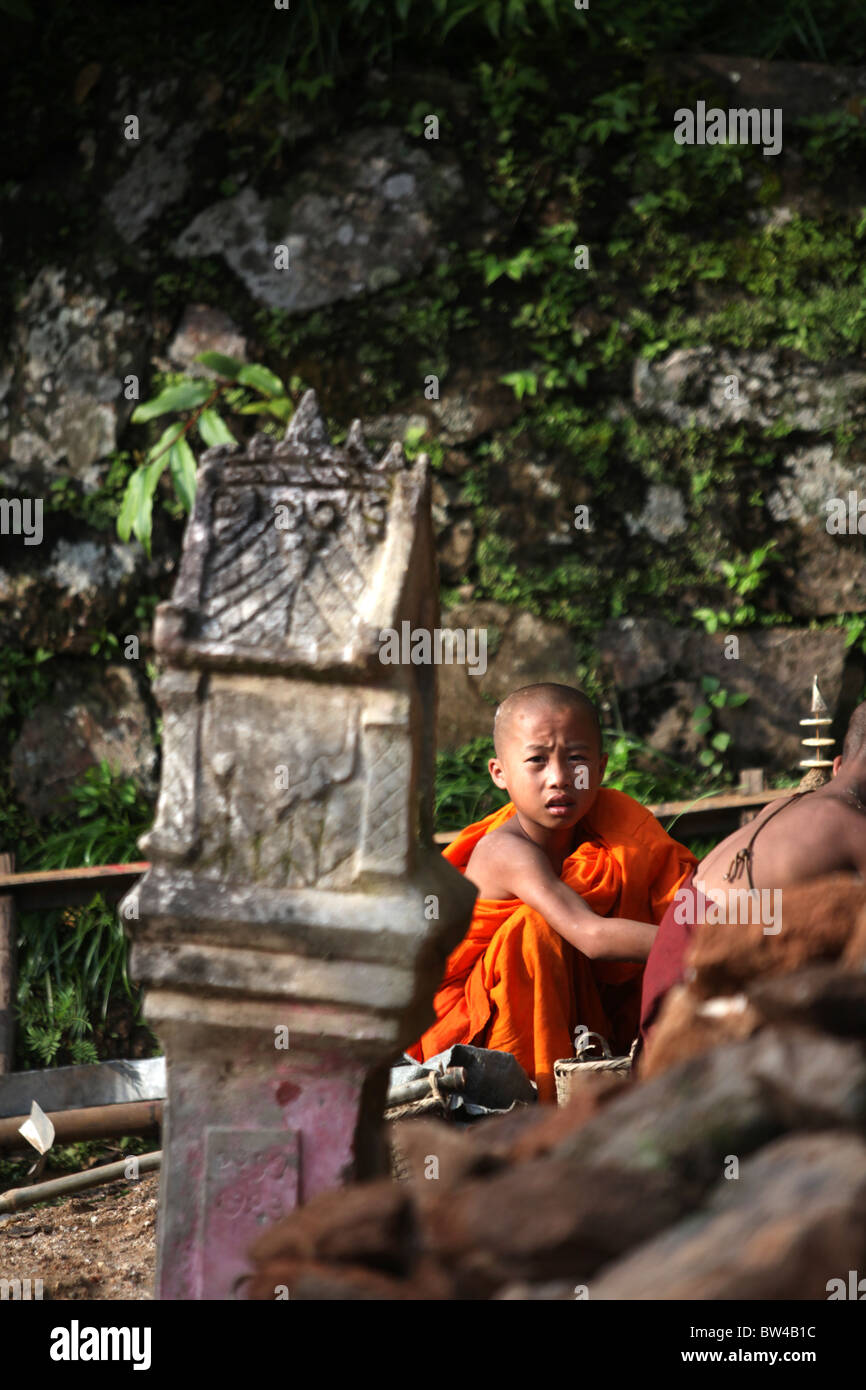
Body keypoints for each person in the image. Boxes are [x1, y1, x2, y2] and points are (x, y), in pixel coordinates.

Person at [406, 683, 696, 1102]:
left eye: (576, 759)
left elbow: (673, 894)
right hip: (471, 1030)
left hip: (582, 1014)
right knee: (534, 929)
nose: (559, 778)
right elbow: (593, 937)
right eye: (536, 761)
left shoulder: (615, 823)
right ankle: (539, 1101)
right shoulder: (506, 849)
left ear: (599, 768)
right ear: (499, 773)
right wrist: (706, 942)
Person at [638, 699, 866, 1054]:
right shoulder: (854, 831)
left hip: (667, 998)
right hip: (692, 1020)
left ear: (837, 766)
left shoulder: (788, 803)